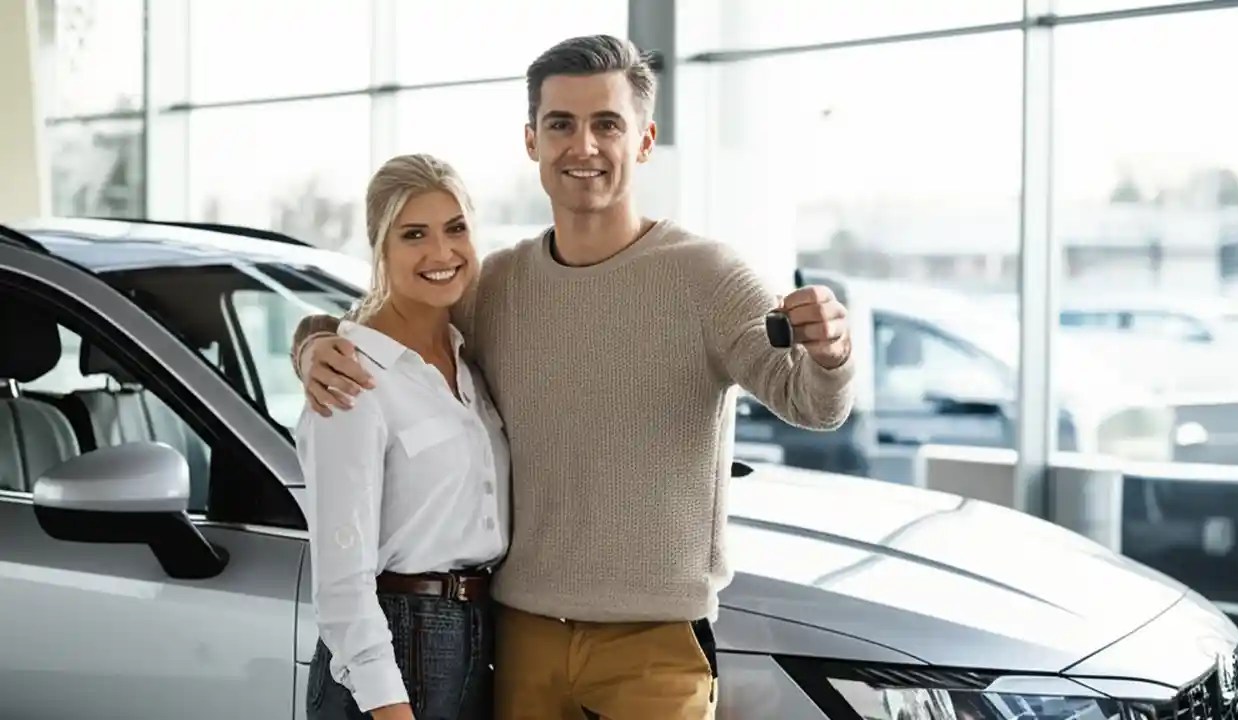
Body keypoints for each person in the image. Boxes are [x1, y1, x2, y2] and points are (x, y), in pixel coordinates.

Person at [293, 35, 855, 720]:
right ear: (532, 140)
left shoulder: (707, 277)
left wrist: (832, 353)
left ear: (644, 141)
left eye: (606, 124)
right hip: (517, 640)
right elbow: (396, 318)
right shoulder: (495, 284)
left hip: (653, 649)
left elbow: (809, 402)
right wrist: (313, 340)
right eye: (561, 124)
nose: (581, 146)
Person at [297, 153, 509, 720]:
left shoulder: (468, 362)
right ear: (380, 249)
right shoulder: (351, 378)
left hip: (480, 637)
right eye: (414, 234)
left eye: (455, 229)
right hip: (397, 646)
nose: (441, 253)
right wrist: (387, 705)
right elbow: (342, 582)